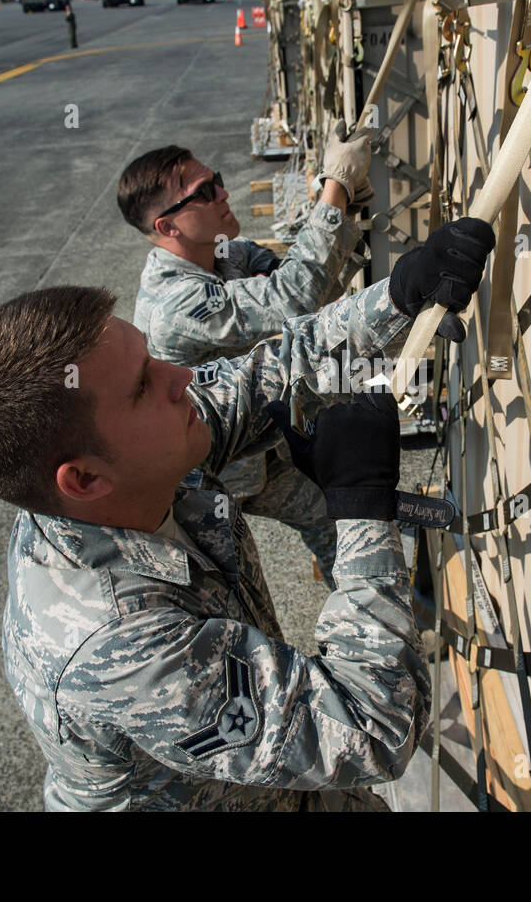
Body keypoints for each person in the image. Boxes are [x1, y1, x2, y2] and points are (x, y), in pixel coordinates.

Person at [0, 218, 496, 811]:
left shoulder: (132, 468)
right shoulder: (120, 649)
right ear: (86, 478)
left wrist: (399, 297)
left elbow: (258, 380)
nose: (183, 377)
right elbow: (374, 726)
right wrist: (361, 509)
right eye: (145, 384)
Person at [119, 123, 373, 589]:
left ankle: (365, 607)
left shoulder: (226, 254)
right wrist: (335, 183)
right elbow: (292, 298)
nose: (223, 193)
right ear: (167, 226)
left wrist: (343, 206)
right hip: (214, 477)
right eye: (205, 191)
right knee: (227, 593)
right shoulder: (177, 303)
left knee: (334, 519)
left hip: (263, 441)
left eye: (216, 179)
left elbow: (305, 287)